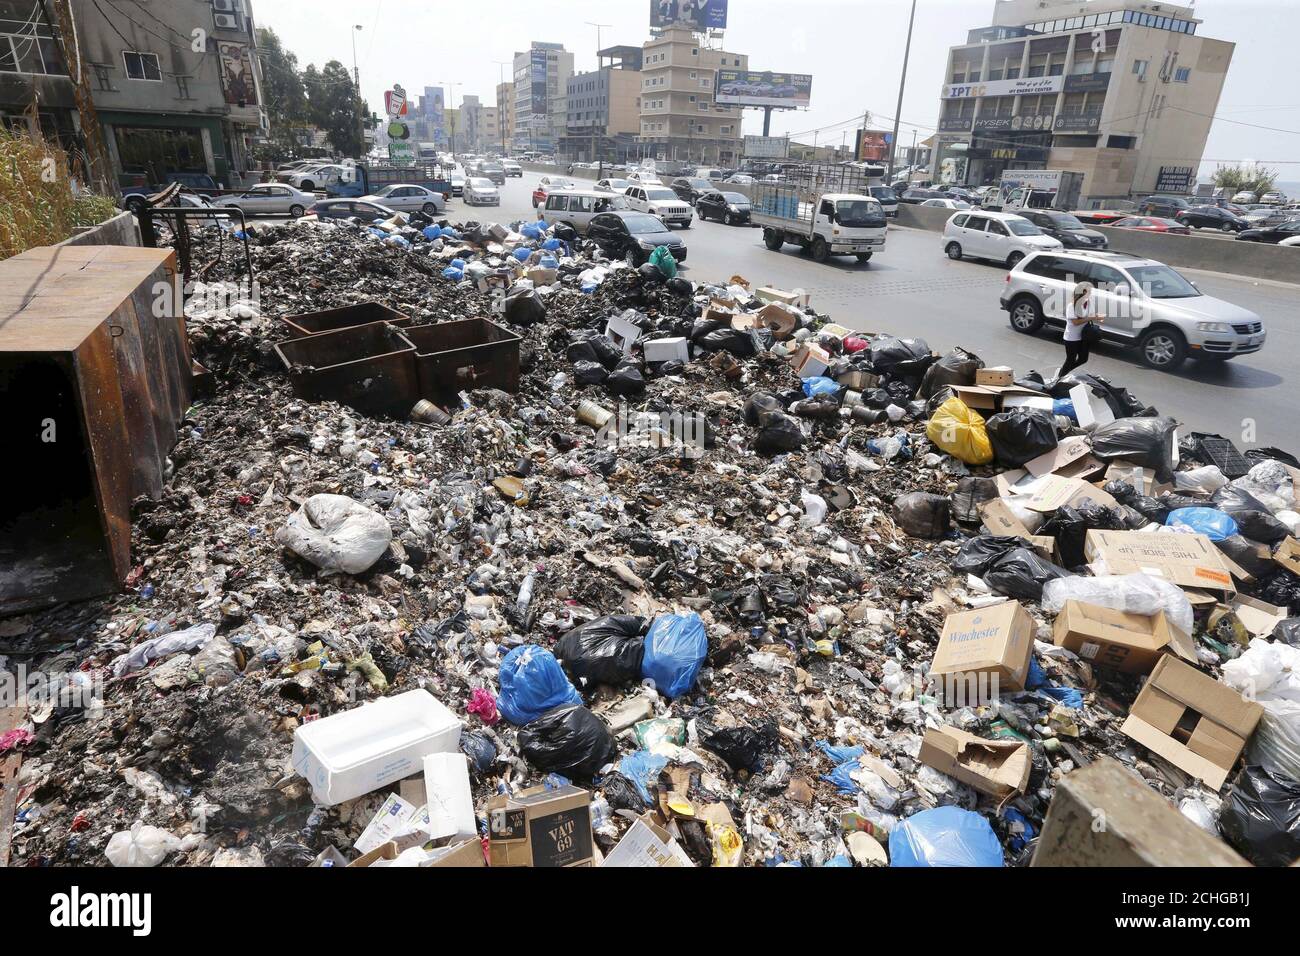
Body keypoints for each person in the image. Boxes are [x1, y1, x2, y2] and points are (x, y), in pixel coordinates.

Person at [1059, 281, 1102, 376]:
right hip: (1071, 338)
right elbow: (1075, 322)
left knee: (1083, 359)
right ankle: (1061, 376)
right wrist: (1092, 318)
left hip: (1083, 336)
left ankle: (1064, 372)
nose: (1090, 294)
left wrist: (1097, 317)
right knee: (1070, 359)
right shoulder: (1072, 306)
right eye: (1088, 292)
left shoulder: (1088, 303)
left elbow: (1090, 315)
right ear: (1082, 293)